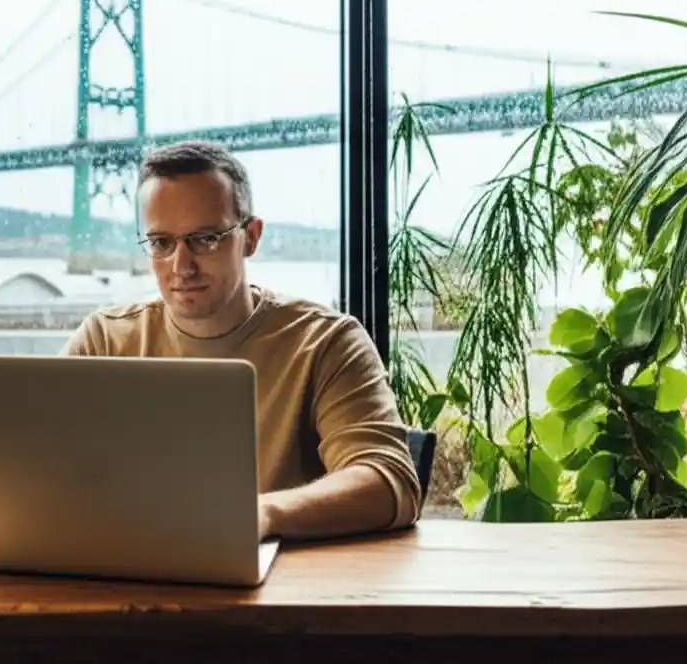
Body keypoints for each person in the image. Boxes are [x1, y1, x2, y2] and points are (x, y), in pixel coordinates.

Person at [60, 141, 421, 541]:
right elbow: (30, 462)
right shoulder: (104, 340)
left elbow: (390, 482)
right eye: (161, 243)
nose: (181, 266)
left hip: (278, 589)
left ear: (251, 237)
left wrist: (261, 515)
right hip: (123, 574)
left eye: (206, 239)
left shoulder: (325, 342)